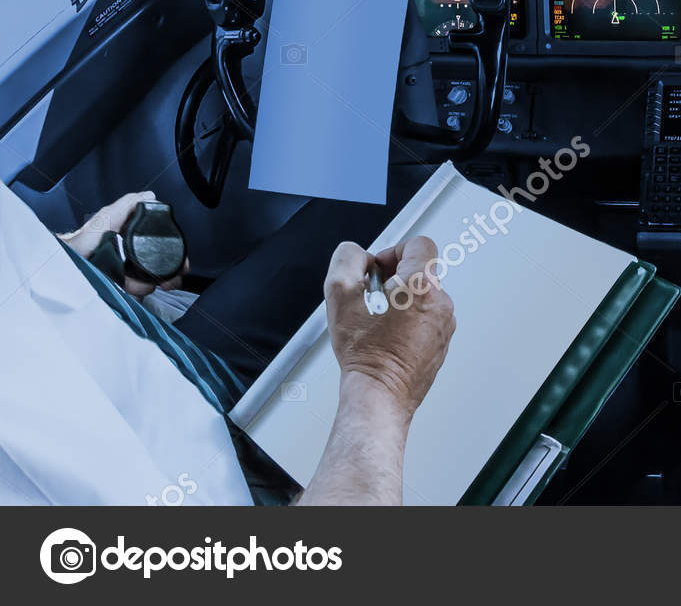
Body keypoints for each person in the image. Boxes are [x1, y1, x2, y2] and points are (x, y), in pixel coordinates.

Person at [0, 184, 454, 505]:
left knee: (389, 194)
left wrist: (72, 268)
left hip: (171, 370)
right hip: (239, 486)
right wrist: (382, 380)